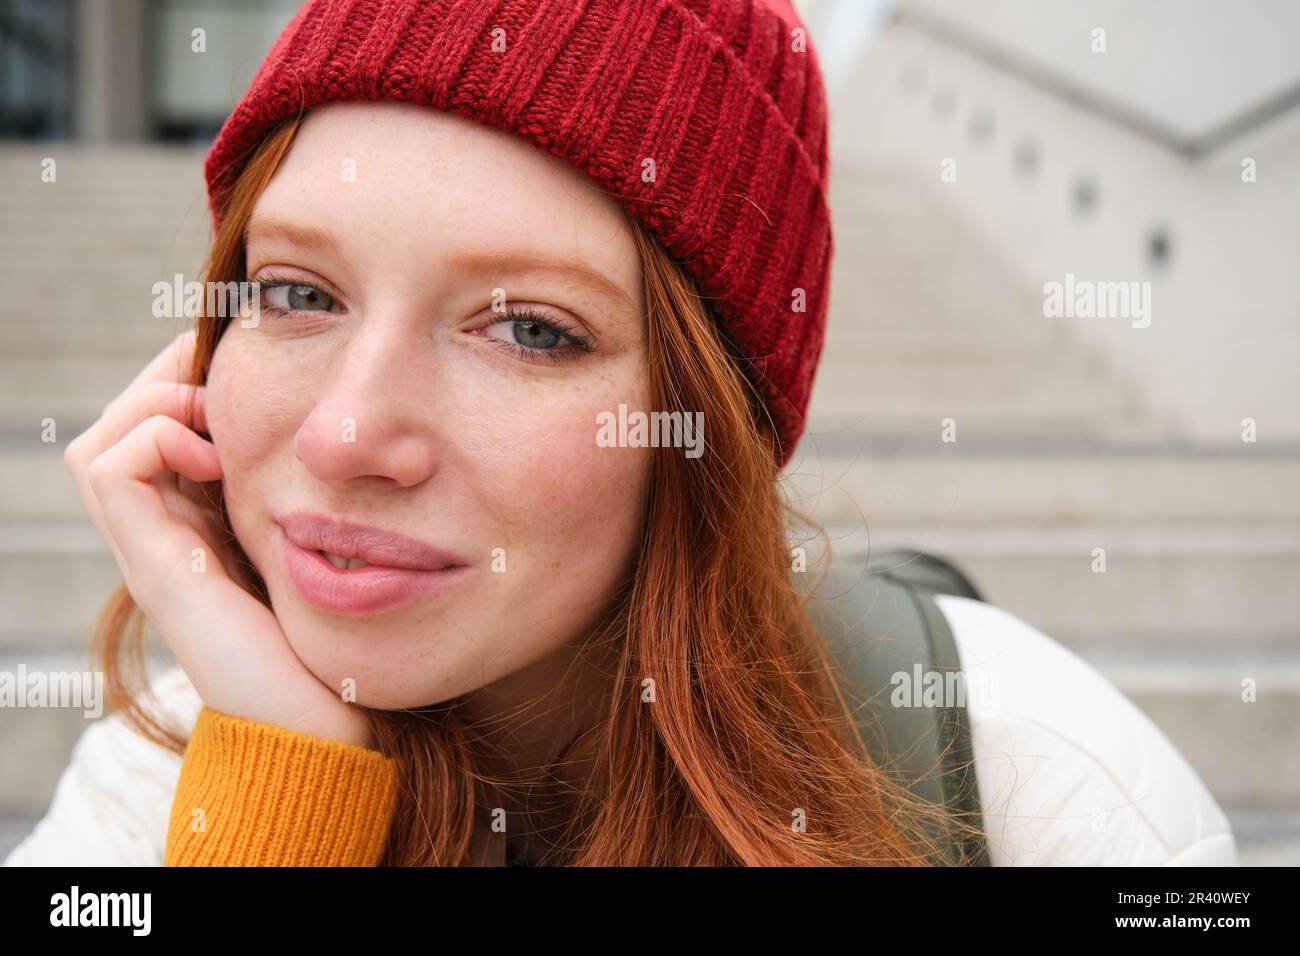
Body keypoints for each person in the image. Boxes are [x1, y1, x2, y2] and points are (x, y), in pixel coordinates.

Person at [6, 0, 1234, 867]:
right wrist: (283, 785)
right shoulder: (167, 769)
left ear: (698, 429)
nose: (344, 435)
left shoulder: (1040, 782)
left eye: (530, 330)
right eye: (297, 294)